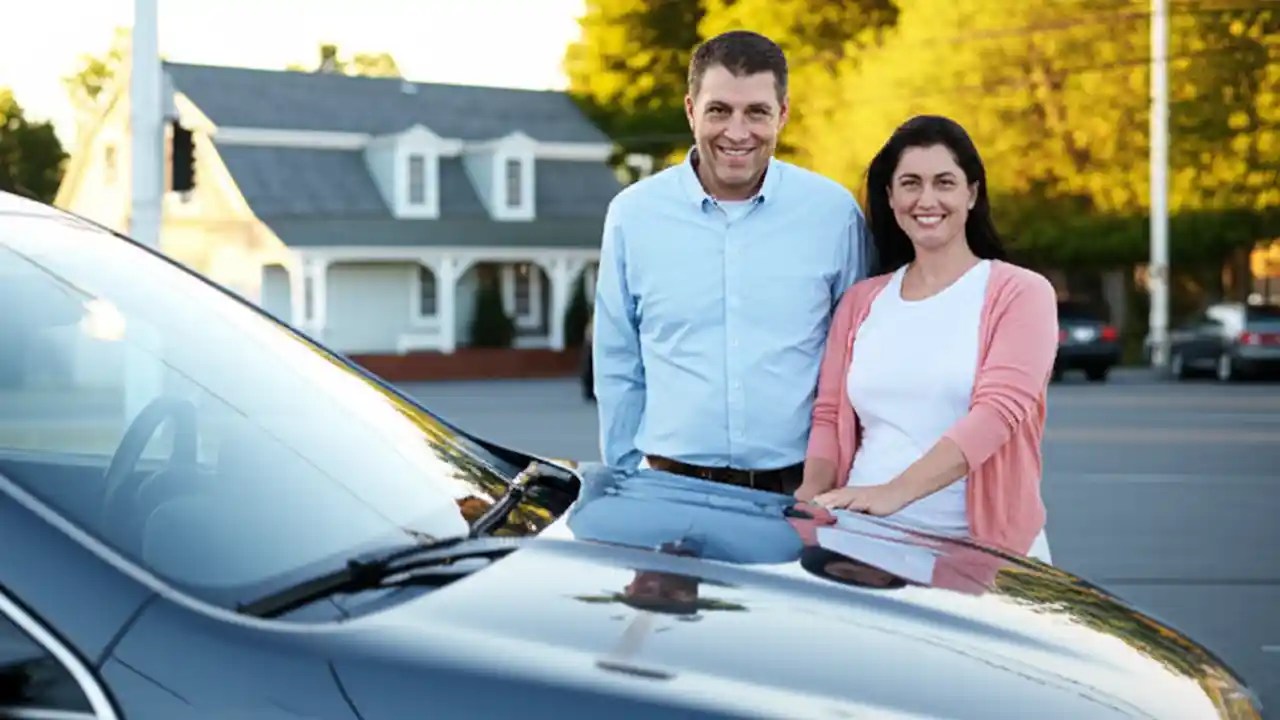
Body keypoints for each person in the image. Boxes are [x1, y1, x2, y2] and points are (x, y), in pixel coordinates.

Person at [592, 30, 872, 495]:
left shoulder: (833, 214)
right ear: (690, 110)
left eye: (756, 112)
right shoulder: (633, 215)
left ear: (782, 114)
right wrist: (626, 477)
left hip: (797, 492)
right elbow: (617, 357)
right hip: (668, 490)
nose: (737, 132)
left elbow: (858, 357)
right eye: (719, 110)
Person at [795, 115, 1058, 563]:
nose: (927, 199)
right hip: (864, 543)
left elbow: (996, 416)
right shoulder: (862, 301)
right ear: (892, 198)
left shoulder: (1020, 293)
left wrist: (892, 494)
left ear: (971, 194)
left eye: (945, 182)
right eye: (911, 183)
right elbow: (827, 417)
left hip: (982, 552)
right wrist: (808, 501)